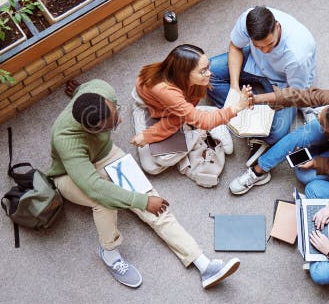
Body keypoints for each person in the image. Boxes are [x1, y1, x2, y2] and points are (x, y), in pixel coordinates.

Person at [48, 79, 240, 289]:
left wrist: (79, 91)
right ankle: (109, 253)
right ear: (91, 129)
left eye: (116, 112)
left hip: (104, 156)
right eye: (112, 124)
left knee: (159, 210)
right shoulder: (66, 140)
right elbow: (95, 188)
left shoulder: (102, 88)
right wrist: (142, 201)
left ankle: (205, 266)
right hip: (68, 175)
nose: (120, 121)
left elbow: (86, 89)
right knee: (104, 203)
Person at [206, 6, 317, 165]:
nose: (265, 51)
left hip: (284, 83)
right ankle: (236, 113)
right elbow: (235, 46)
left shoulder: (297, 55)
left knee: (277, 133)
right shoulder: (248, 19)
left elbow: (295, 94)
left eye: (270, 44)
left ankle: (237, 116)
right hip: (255, 64)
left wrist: (256, 99)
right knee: (207, 74)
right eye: (259, 46)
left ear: (277, 27)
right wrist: (235, 87)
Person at [229, 87, 329, 195]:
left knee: (304, 175)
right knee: (301, 134)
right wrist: (256, 99)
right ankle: (258, 172)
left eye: (322, 123)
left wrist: (317, 163)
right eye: (320, 114)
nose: (319, 120)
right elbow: (305, 95)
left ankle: (313, 152)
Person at [130, 44, 253, 176]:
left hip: (176, 108)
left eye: (208, 67)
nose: (209, 73)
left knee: (157, 160)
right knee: (151, 167)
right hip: (149, 106)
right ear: (183, 74)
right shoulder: (165, 90)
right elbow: (177, 118)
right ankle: (202, 126)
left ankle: (206, 121)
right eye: (203, 71)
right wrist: (238, 106)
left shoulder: (190, 80)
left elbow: (180, 114)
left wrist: (150, 135)